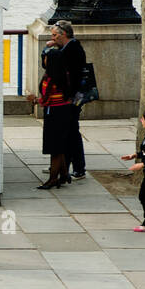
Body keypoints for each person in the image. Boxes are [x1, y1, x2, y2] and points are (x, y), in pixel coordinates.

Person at [26, 32, 74, 189]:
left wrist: (33, 99)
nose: (44, 60)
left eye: (45, 57)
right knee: (60, 145)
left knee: (55, 148)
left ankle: (53, 178)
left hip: (53, 113)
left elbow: (44, 101)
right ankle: (65, 174)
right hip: (65, 111)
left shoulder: (49, 80)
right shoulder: (64, 75)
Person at [55, 20, 88, 179]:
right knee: (70, 132)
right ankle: (65, 165)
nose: (53, 38)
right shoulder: (68, 48)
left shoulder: (72, 50)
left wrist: (49, 50)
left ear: (64, 35)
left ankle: (78, 167)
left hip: (72, 98)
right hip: (71, 97)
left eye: (55, 35)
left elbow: (59, 68)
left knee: (72, 132)